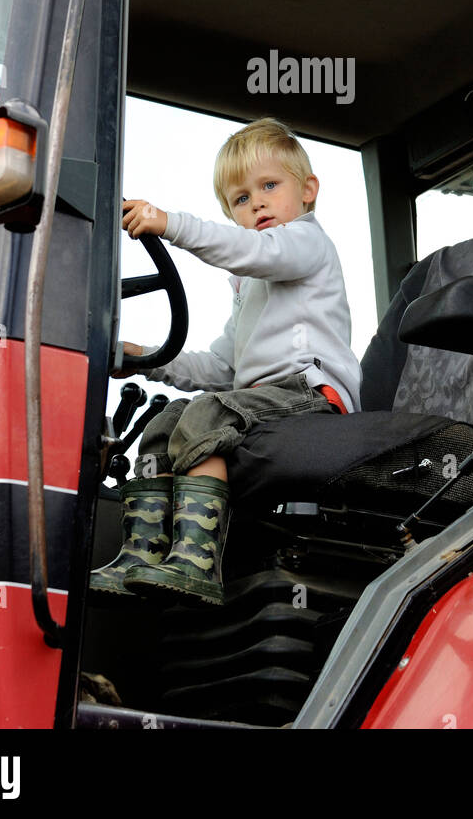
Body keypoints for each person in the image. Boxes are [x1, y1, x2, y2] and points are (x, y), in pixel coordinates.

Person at [90, 118, 359, 607]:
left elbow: (248, 252)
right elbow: (220, 368)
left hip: (311, 394)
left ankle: (197, 558)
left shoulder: (305, 243)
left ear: (308, 191)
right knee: (165, 422)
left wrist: (171, 224)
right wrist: (144, 360)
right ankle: (144, 553)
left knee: (206, 414)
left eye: (270, 186)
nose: (256, 202)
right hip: (260, 400)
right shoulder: (251, 283)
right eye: (240, 198)